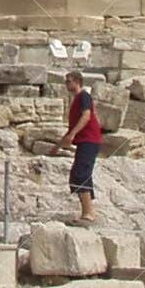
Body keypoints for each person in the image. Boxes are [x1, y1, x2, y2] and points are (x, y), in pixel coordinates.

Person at [49, 70, 102, 224]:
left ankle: (89, 213)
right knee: (77, 174)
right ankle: (87, 211)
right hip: (84, 141)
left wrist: (72, 135)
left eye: (68, 81)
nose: (66, 84)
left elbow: (86, 116)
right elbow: (72, 126)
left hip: (89, 140)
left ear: (77, 82)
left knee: (81, 173)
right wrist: (57, 146)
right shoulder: (76, 100)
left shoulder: (84, 96)